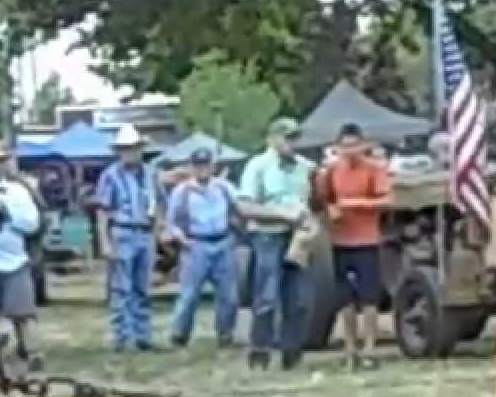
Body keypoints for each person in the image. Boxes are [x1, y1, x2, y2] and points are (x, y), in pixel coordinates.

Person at [237, 117, 315, 371]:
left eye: (294, 138)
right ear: (272, 139)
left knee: (299, 298)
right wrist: (281, 214)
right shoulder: (257, 166)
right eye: (287, 137)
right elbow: (244, 206)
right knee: (267, 296)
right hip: (267, 235)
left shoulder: (305, 167)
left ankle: (291, 352)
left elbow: (319, 196)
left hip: (298, 238)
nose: (292, 143)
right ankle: (260, 351)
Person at [316, 124, 394, 370]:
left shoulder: (374, 169)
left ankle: (370, 347)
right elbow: (323, 200)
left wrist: (355, 203)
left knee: (369, 298)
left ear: (363, 145)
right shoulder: (331, 172)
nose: (349, 151)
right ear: (337, 147)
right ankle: (350, 348)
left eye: (354, 146)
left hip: (367, 239)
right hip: (340, 240)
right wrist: (329, 207)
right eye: (344, 146)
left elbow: (388, 199)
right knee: (344, 299)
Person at [0, 139, 44, 371]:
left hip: (14, 262)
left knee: (24, 314)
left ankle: (32, 353)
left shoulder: (17, 192)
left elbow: (32, 224)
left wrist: (7, 213)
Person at [96, 124, 163, 352]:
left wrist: (157, 234)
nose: (130, 153)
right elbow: (103, 210)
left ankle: (143, 336)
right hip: (122, 231)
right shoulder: (110, 175)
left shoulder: (152, 174)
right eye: (125, 149)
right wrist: (105, 241)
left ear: (140, 149)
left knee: (143, 287)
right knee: (122, 288)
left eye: (133, 148)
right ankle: (122, 337)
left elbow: (160, 204)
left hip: (145, 233)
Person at [166, 147, 241, 349]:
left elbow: (241, 206)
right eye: (198, 165)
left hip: (223, 243)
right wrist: (182, 240)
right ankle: (179, 335)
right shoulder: (181, 192)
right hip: (196, 244)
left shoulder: (224, 188)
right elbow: (172, 223)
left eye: (206, 165)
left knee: (229, 295)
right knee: (189, 295)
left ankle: (225, 335)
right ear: (192, 167)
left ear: (212, 166)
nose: (202, 169)